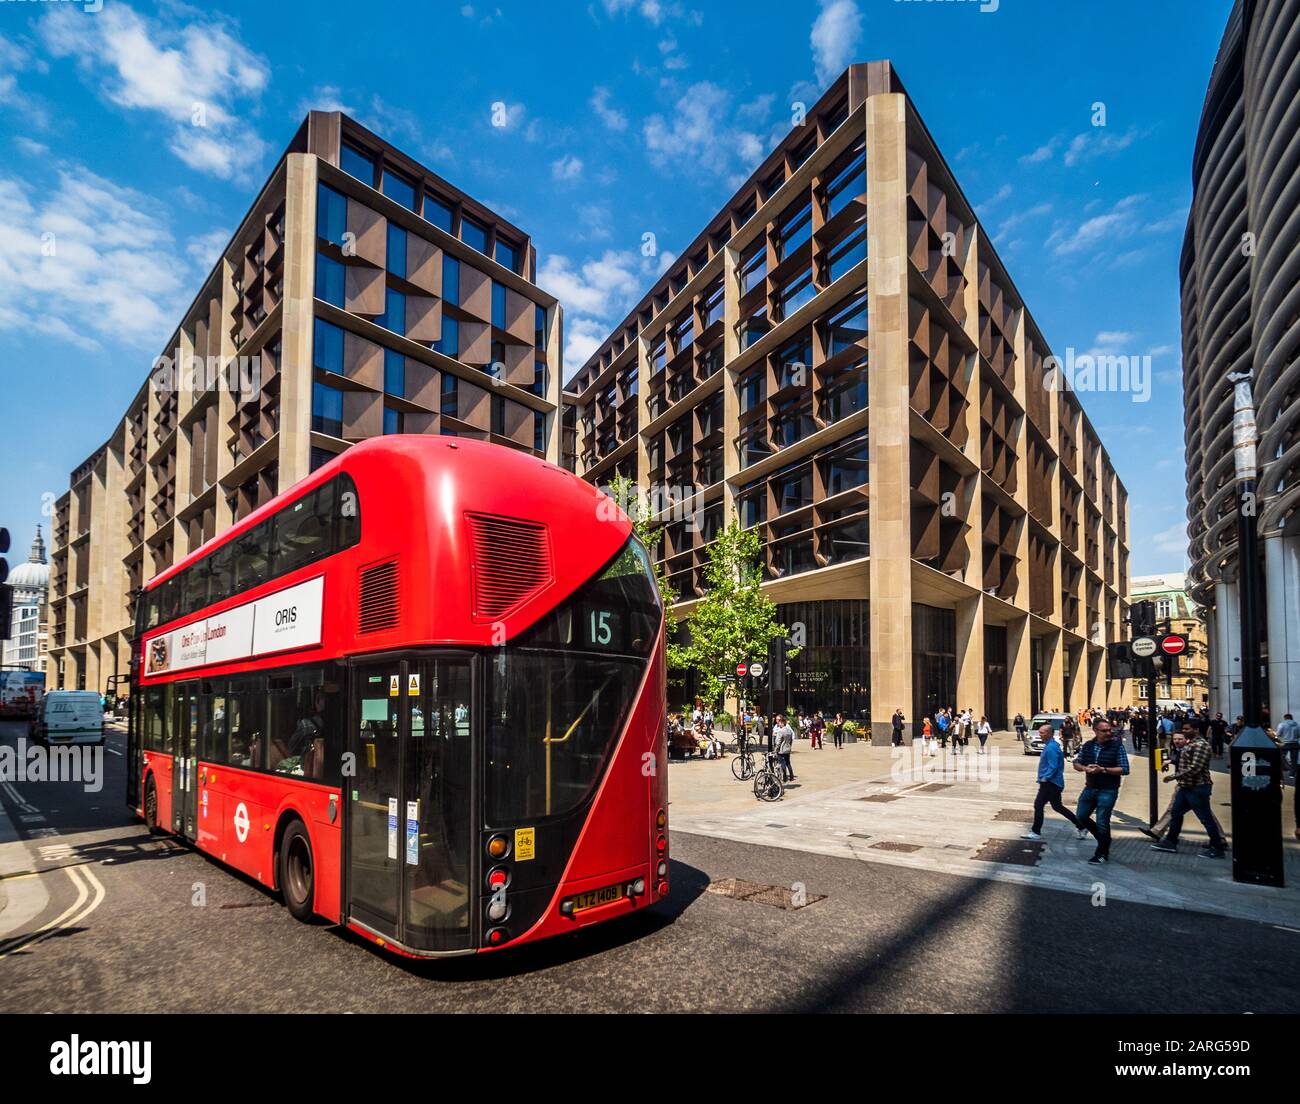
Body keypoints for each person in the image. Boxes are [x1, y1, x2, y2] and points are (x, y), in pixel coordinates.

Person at [1148, 724, 1228, 858]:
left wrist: (1173, 776)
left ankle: (1217, 847)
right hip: (1186, 786)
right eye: (1183, 729)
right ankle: (1170, 842)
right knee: (1175, 813)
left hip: (1197, 787)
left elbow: (1195, 768)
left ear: (1196, 729)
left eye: (1187, 729)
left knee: (1205, 818)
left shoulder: (1200, 745)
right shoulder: (1191, 744)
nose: (1184, 732)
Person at [1072, 717, 1129, 864]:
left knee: (1102, 821)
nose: (1108, 733)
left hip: (1108, 790)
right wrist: (1085, 768)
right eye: (1104, 731)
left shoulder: (1117, 746)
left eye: (1109, 730)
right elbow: (1077, 762)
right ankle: (1104, 840)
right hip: (1090, 787)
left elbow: (1124, 769)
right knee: (1081, 816)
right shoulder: (1088, 745)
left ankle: (1102, 852)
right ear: (1095, 731)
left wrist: (1103, 769)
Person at [1023, 724, 1086, 841]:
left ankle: (1036, 832)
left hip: (1050, 783)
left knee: (1038, 805)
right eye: (1040, 732)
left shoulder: (1051, 747)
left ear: (1050, 733)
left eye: (1042, 733)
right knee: (1057, 806)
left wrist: (1045, 778)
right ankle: (1081, 826)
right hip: (1053, 782)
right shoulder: (1051, 745)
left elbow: (1053, 766)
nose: (1040, 735)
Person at [772, 714, 796, 782]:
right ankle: (791, 776)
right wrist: (789, 746)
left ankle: (784, 777)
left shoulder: (780, 731)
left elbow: (778, 742)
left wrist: (776, 749)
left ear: (782, 723)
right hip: (787, 749)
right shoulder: (789, 731)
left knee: (782, 763)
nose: (778, 723)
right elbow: (791, 740)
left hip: (781, 750)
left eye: (779, 722)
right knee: (788, 763)